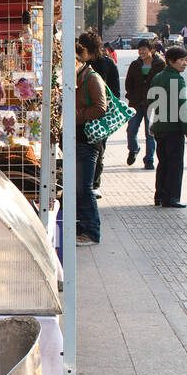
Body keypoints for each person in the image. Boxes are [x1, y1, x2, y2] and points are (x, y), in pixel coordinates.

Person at [78, 31, 120, 194]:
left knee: (98, 149)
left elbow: (115, 92)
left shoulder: (107, 65)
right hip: (83, 115)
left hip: (99, 115)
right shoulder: (78, 64)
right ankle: (87, 183)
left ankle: (94, 183)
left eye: (84, 49)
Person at [75, 38, 107, 244]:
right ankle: (82, 227)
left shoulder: (91, 78)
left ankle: (92, 232)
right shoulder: (77, 78)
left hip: (88, 140)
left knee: (84, 187)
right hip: (75, 138)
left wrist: (74, 114)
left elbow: (100, 108)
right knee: (77, 186)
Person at [148, 44, 187, 208]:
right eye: (182, 60)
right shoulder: (178, 80)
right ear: (171, 61)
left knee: (162, 162)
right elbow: (183, 107)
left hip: (159, 127)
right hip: (174, 129)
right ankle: (171, 198)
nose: (184, 63)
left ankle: (160, 196)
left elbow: (150, 100)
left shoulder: (157, 77)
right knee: (175, 164)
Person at [125, 39, 165, 168]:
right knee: (131, 130)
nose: (141, 52)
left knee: (150, 133)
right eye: (139, 49)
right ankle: (134, 149)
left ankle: (149, 160)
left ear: (151, 50)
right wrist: (130, 95)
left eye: (144, 49)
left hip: (152, 104)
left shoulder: (160, 65)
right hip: (136, 103)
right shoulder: (135, 65)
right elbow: (128, 82)